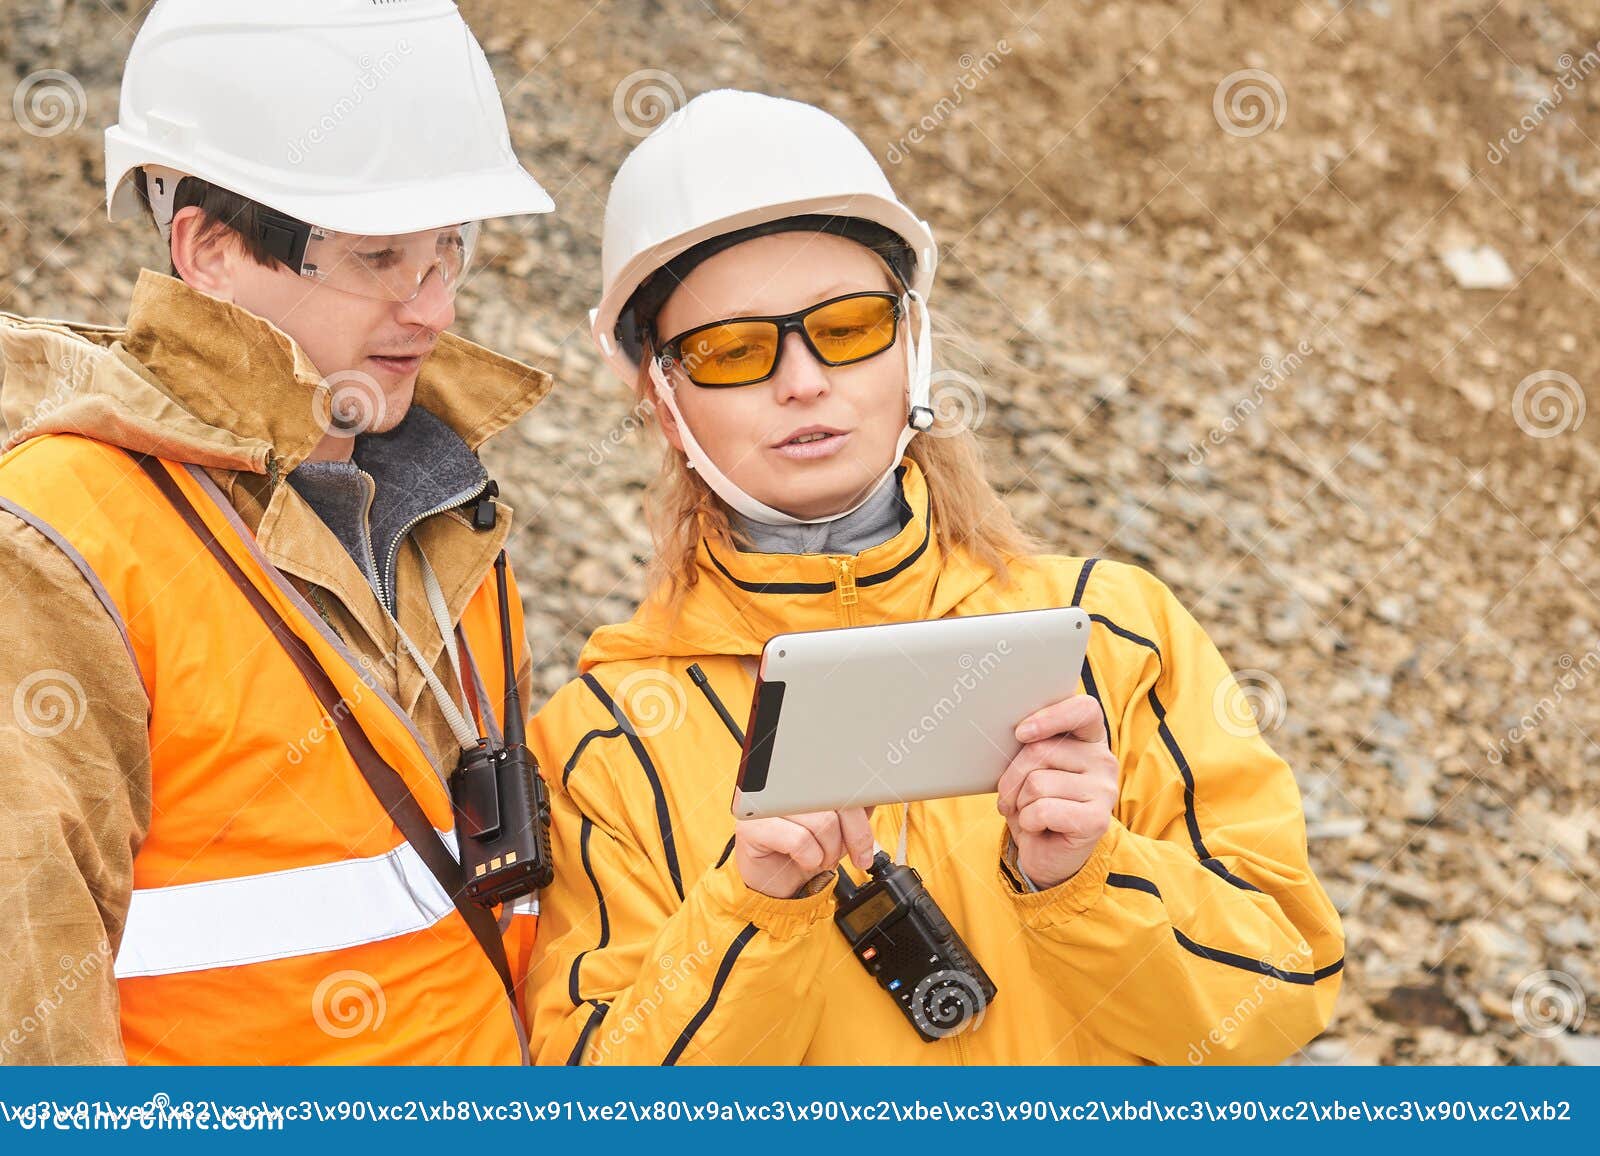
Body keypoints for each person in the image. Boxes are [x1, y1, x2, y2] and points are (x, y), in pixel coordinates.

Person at [526, 89, 1345, 1065]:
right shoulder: (607, 738)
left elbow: (1281, 997)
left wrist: (1089, 877)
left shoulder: (1115, 632)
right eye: (730, 349)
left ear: (910, 343)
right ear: (665, 401)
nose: (801, 380)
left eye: (848, 325)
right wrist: (749, 911)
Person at [0, 0, 555, 1064]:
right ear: (208, 248)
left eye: (451, 251)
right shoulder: (57, 549)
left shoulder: (449, 514)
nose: (433, 309)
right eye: (381, 255)